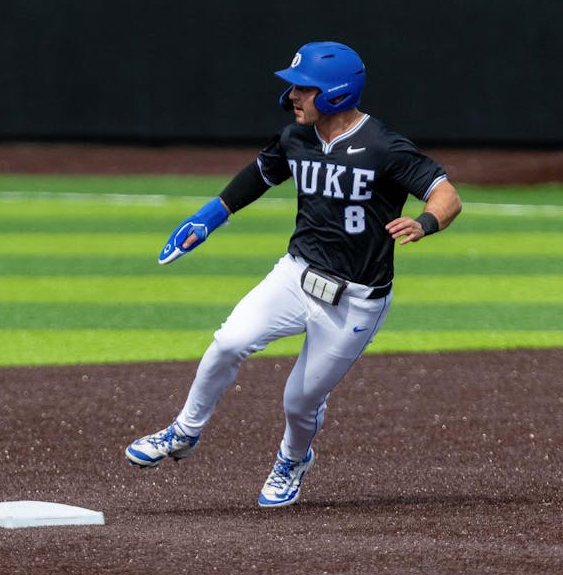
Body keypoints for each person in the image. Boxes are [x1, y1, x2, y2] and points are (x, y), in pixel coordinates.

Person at [125, 41, 462, 507]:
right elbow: (257, 177)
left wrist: (425, 222)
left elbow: (447, 196)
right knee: (229, 342)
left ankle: (293, 459)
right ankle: (184, 431)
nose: (293, 96)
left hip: (355, 301)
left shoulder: (383, 146)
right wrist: (209, 217)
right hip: (295, 275)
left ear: (337, 94)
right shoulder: (296, 138)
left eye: (305, 88)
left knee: (299, 401)